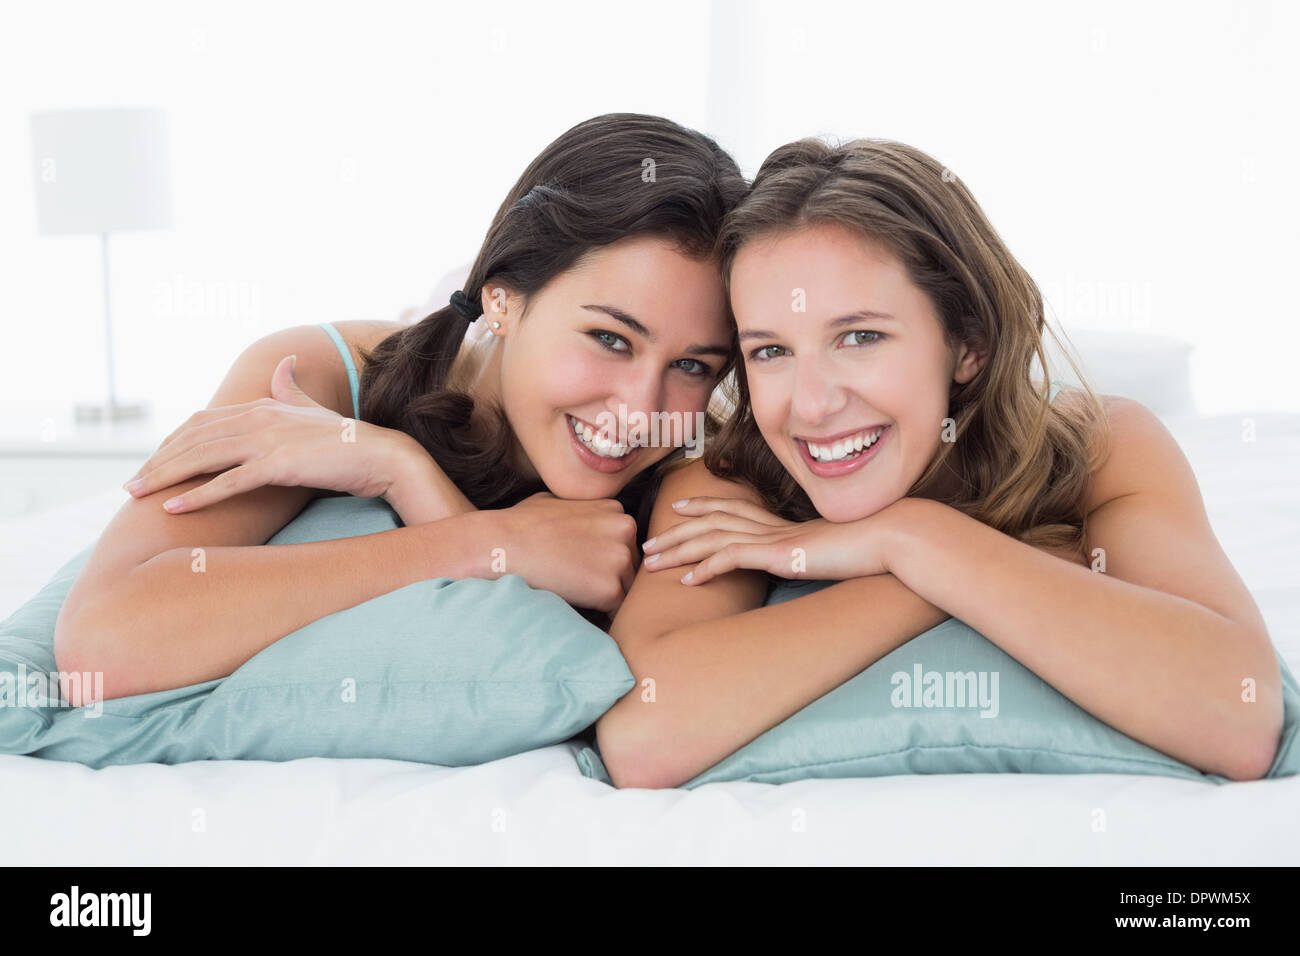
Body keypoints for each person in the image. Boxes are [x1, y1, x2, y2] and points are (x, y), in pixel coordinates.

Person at [596, 137, 1283, 787]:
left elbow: (1239, 716)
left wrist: (913, 535)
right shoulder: (729, 474)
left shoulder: (1100, 446)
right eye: (770, 351)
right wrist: (923, 576)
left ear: (967, 344)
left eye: (860, 337)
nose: (810, 406)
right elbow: (642, 737)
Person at [55, 113, 746, 701]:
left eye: (691, 365)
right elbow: (103, 642)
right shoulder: (320, 376)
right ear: (503, 297)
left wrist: (420, 488)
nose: (639, 410)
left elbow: (641, 709)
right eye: (609, 338)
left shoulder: (694, 461)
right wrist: (459, 525)